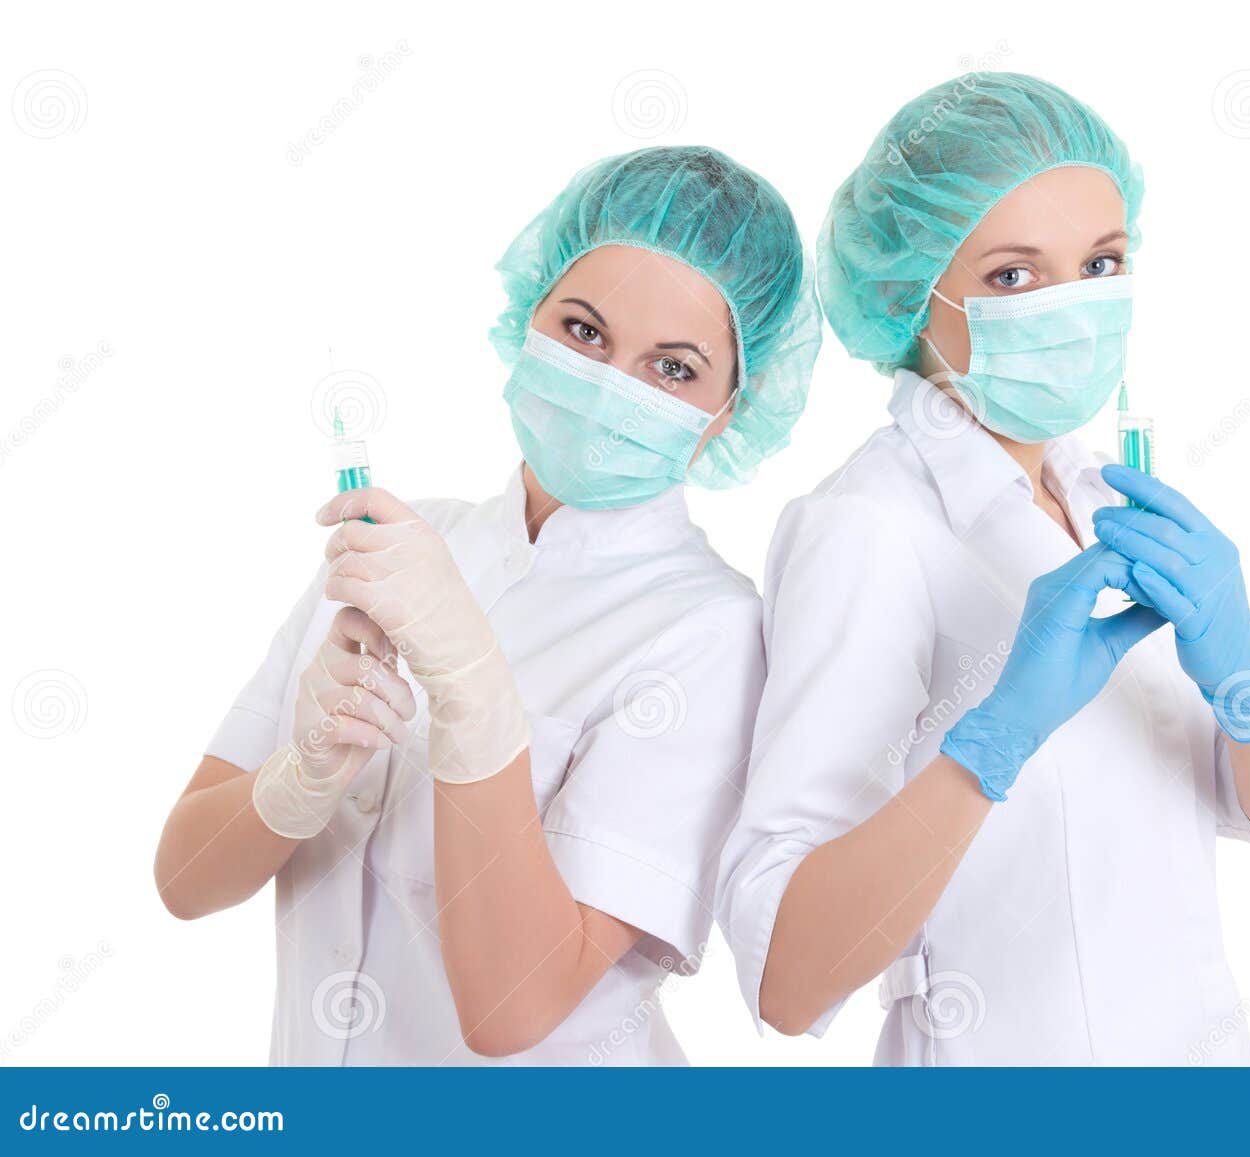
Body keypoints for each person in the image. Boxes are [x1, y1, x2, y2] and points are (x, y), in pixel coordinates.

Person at [717, 73, 1250, 1065]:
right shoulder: (867, 526)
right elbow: (790, 975)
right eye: (1014, 275)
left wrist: (1241, 661)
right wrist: (992, 740)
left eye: (1101, 261)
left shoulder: (1106, 497)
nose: (1076, 307)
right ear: (906, 292)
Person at [155, 145, 821, 1065]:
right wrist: (298, 781)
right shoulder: (401, 544)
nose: (610, 384)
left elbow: (513, 1009)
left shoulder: (708, 630)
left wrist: (471, 687)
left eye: (673, 369)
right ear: (530, 314)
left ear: (731, 409)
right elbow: (184, 878)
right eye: (585, 332)